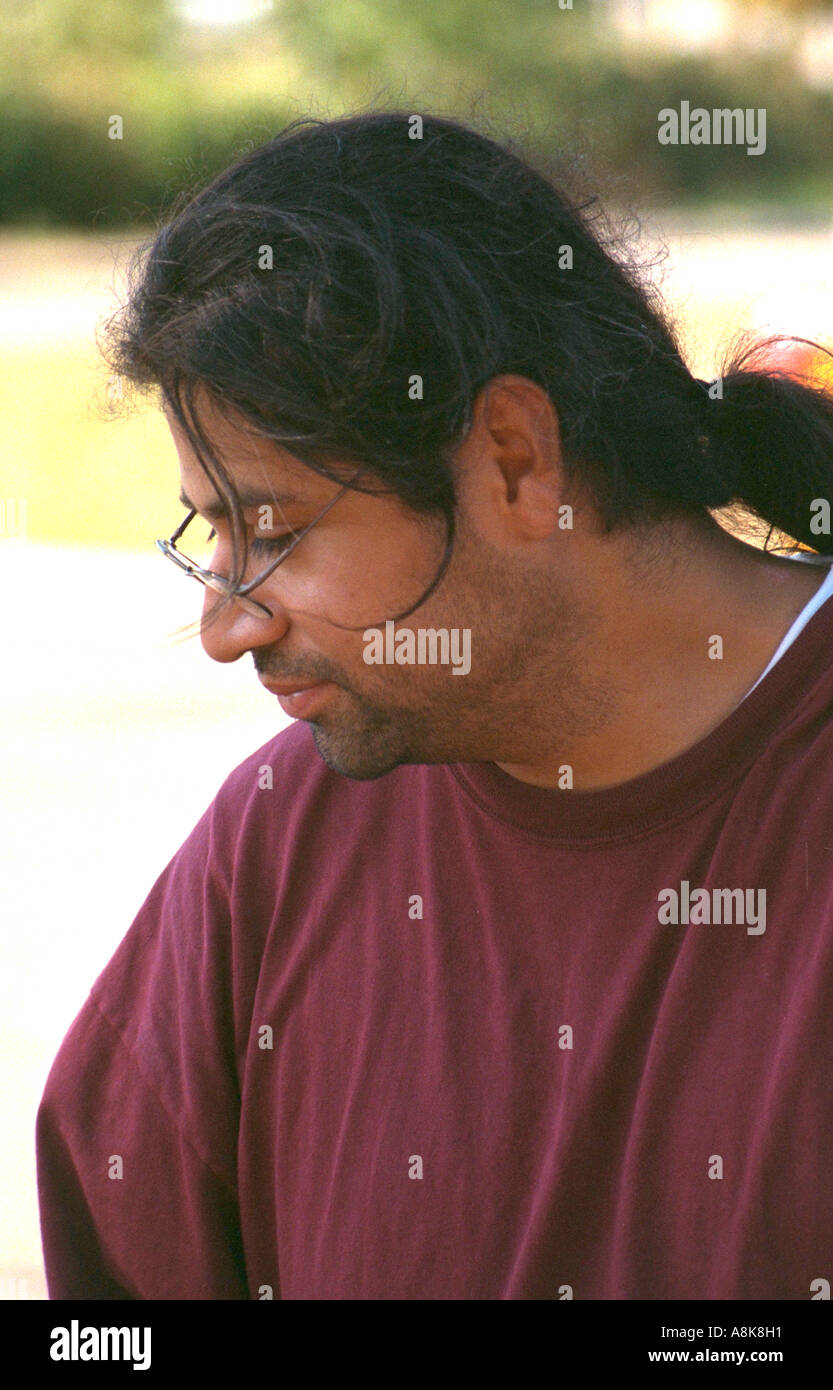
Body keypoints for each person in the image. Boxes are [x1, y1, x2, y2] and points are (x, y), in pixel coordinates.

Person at [36, 111, 833, 1300]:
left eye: (274, 531)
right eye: (210, 533)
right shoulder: (273, 849)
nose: (225, 627)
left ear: (512, 457)